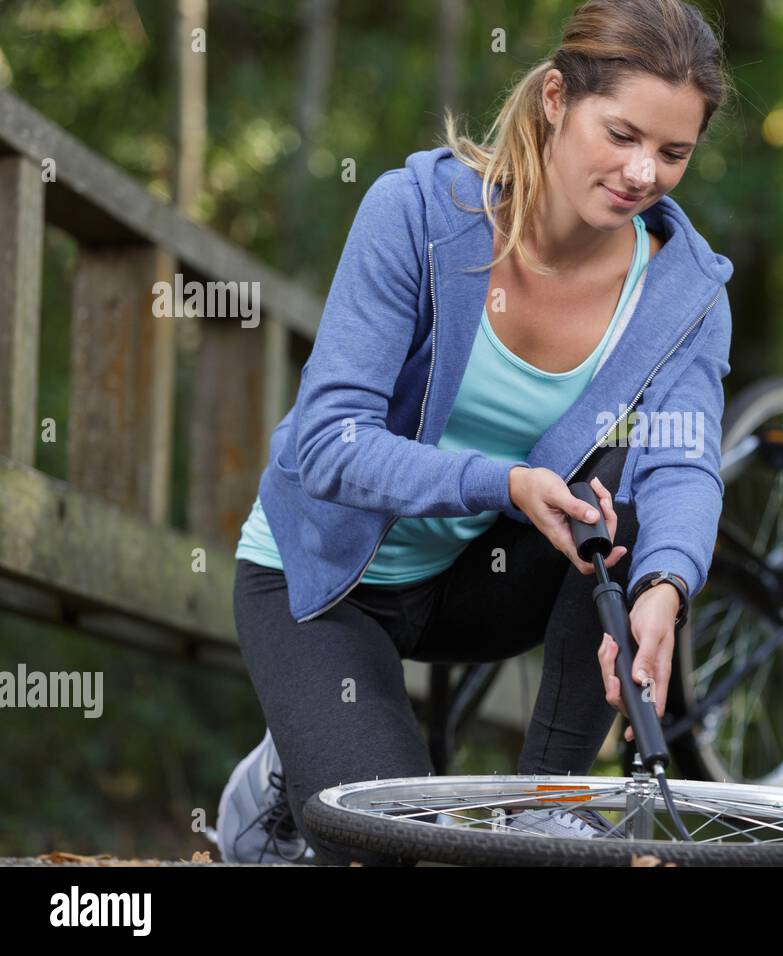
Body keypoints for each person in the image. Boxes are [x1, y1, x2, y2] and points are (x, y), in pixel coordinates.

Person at [215, 0, 735, 865]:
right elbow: (328, 442)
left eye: (674, 152)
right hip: (321, 583)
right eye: (622, 134)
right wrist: (499, 482)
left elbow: (686, 460)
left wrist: (664, 591)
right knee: (395, 847)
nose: (644, 171)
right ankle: (282, 781)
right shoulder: (418, 212)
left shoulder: (683, 291)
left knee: (632, 515)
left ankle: (549, 814)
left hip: (476, 579)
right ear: (557, 100)